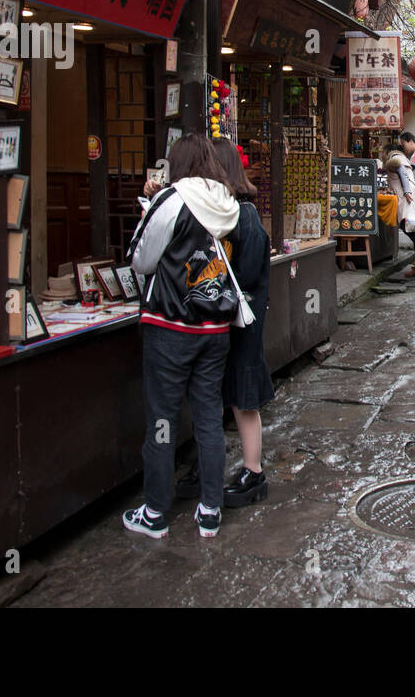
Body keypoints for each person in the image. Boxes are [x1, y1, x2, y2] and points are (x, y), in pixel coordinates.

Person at [123, 135, 243, 539]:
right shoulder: (227, 201)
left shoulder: (173, 199)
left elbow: (141, 260)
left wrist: (147, 212)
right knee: (209, 416)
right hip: (215, 329)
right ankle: (211, 508)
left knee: (162, 417)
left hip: (171, 326)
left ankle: (156, 511)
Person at [175, 139, 273, 508]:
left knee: (241, 394)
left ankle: (253, 471)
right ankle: (210, 464)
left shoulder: (241, 215)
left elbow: (244, 274)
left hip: (239, 319)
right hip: (222, 319)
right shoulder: (225, 212)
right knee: (212, 393)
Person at [383, 143, 415, 274]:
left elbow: (402, 173)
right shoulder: (404, 158)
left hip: (406, 197)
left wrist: (406, 192)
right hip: (412, 194)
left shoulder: (395, 158)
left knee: (407, 226)